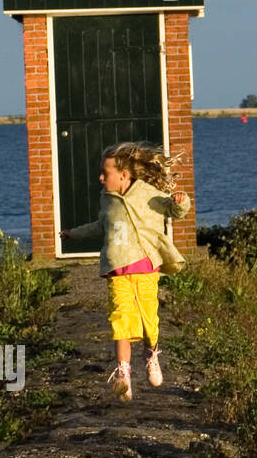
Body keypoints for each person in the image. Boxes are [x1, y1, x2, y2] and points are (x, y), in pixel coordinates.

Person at [60, 142, 191, 402]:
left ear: (123, 174)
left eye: (104, 172)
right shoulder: (106, 200)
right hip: (117, 268)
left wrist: (181, 201)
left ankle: (151, 354)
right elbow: (100, 226)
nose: (100, 177)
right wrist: (73, 234)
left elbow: (175, 211)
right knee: (121, 319)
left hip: (145, 266)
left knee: (148, 320)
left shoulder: (148, 194)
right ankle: (123, 374)